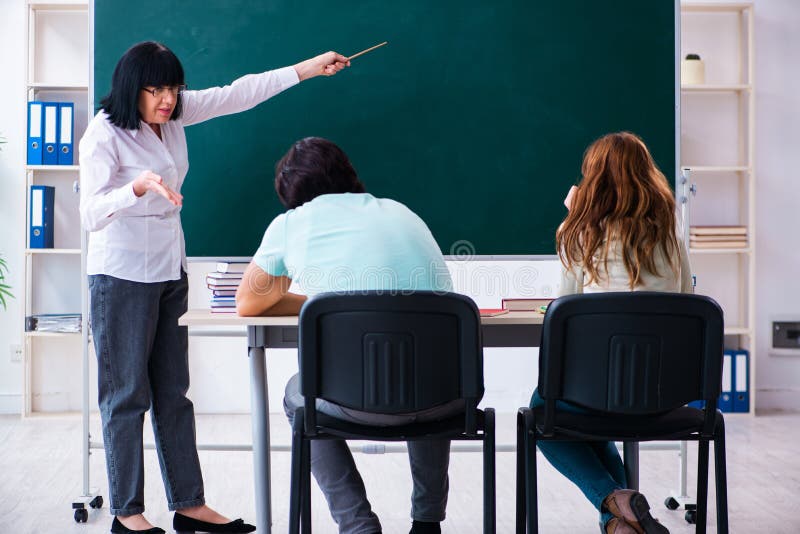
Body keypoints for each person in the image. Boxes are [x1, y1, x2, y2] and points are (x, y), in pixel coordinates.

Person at [79, 41, 349, 534]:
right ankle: (127, 513)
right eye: (155, 89)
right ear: (130, 88)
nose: (167, 99)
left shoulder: (176, 115)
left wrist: (306, 68)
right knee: (125, 396)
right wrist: (136, 187)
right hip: (119, 276)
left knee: (174, 394)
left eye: (174, 89)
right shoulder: (104, 134)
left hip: (167, 271)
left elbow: (239, 93)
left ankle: (188, 505)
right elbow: (90, 214)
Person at [236, 137, 455, 534]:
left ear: (292, 194)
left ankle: (357, 525)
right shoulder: (402, 212)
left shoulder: (291, 224)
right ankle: (427, 521)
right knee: (425, 371)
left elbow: (249, 303)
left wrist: (322, 303)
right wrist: (324, 301)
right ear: (347, 174)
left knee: (298, 398)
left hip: (347, 399)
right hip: (442, 398)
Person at [532, 132, 692, 534]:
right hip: (666, 394)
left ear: (593, 180)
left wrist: (574, 217)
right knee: (584, 416)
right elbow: (688, 298)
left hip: (598, 394)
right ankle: (620, 523)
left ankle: (613, 501)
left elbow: (563, 310)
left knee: (543, 413)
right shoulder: (670, 227)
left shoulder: (580, 231)